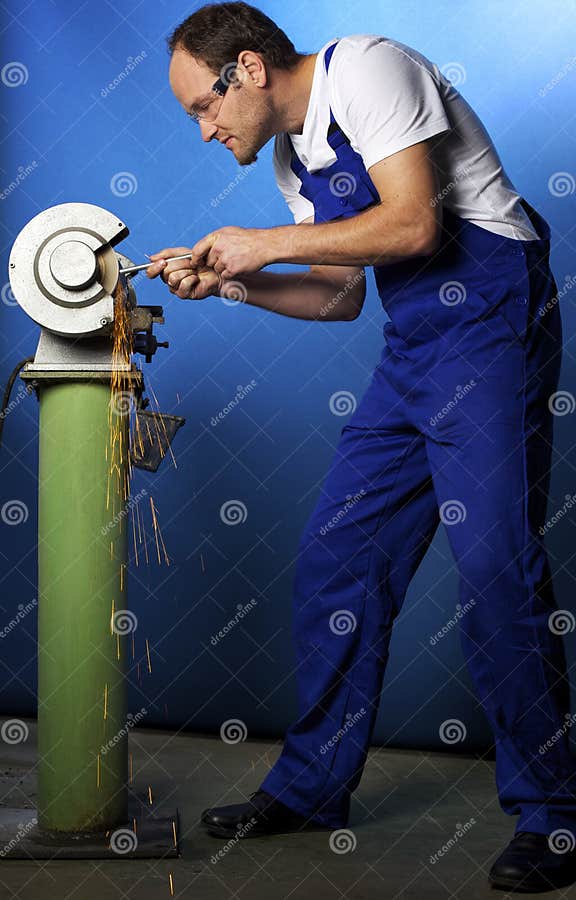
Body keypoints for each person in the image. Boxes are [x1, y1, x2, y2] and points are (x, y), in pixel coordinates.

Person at [146, 3, 576, 891]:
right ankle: (311, 787)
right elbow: (342, 296)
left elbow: (416, 226)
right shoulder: (291, 159)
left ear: (251, 70)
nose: (202, 129)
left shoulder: (371, 68)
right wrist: (233, 284)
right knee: (338, 557)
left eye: (203, 106)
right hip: (417, 348)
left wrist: (261, 245)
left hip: (490, 323)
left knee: (495, 565)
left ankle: (556, 813)